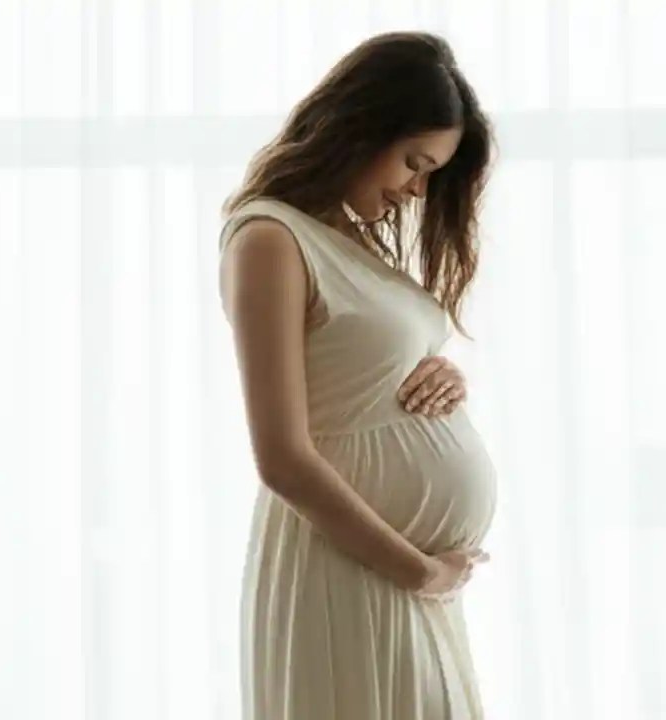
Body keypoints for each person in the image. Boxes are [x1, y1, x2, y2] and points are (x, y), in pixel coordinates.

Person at [217, 31, 498, 719]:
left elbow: (356, 364)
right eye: (413, 162)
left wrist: (442, 378)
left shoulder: (341, 238)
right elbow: (281, 457)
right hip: (347, 567)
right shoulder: (269, 239)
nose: (416, 190)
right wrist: (421, 570)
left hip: (401, 579)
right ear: (361, 127)